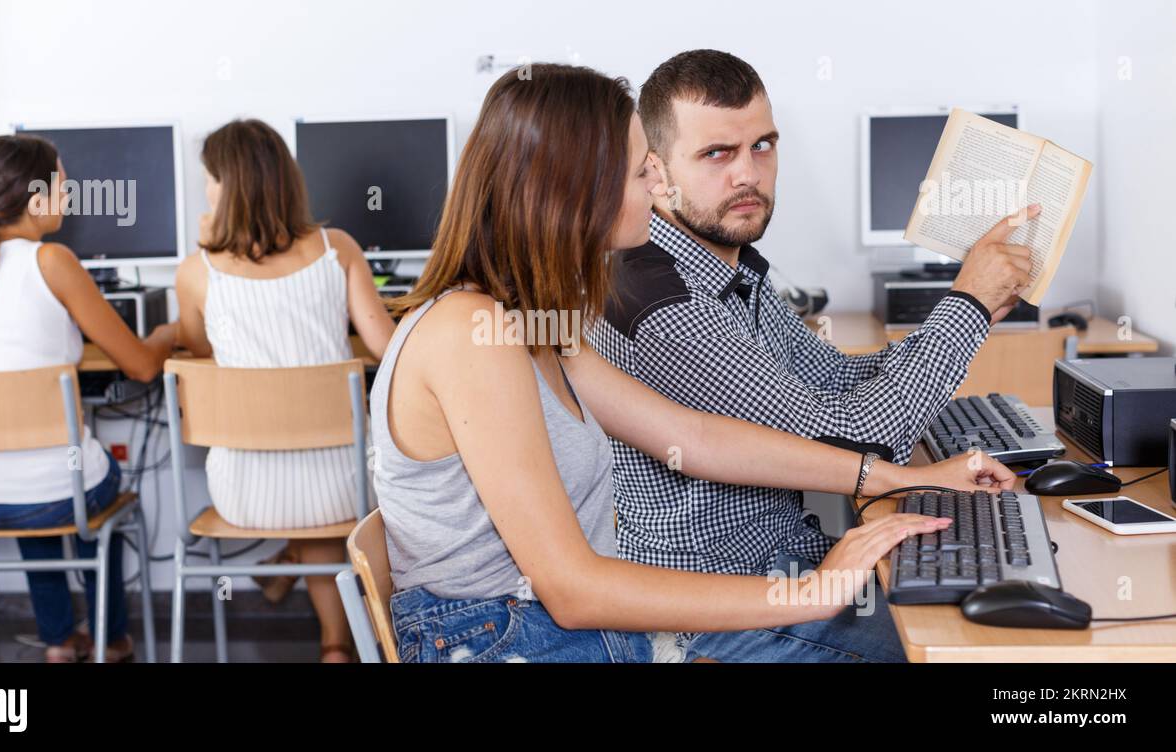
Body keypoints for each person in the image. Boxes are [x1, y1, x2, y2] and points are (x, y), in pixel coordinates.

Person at [372, 63, 1014, 663]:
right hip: (514, 637)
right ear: (574, 191)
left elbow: (691, 436)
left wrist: (881, 478)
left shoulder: (537, 322)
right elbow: (573, 590)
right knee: (963, 650)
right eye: (638, 173)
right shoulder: (470, 335)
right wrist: (812, 592)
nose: (658, 189)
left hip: (549, 626)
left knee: (949, 622)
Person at [586, 49, 1040, 662]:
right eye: (717, 154)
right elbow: (859, 436)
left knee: (982, 596)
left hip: (781, 561)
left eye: (763, 146)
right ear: (657, 172)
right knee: (974, 647)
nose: (747, 174)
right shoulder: (660, 299)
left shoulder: (725, 267)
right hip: (720, 610)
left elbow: (836, 380)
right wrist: (966, 306)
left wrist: (965, 309)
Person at [0, 134, 178, 662]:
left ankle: (59, 642)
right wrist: (173, 332)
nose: (69, 195)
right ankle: (109, 641)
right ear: (36, 197)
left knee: (33, 474)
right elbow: (140, 364)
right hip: (49, 493)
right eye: (64, 183)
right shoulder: (52, 261)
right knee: (71, 481)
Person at [173, 119, 395, 662]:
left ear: (224, 188)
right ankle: (335, 646)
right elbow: (389, 349)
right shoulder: (336, 249)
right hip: (344, 490)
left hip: (242, 493)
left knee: (290, 469)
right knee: (320, 485)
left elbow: (198, 355)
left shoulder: (195, 272)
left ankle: (293, 581)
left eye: (209, 180)